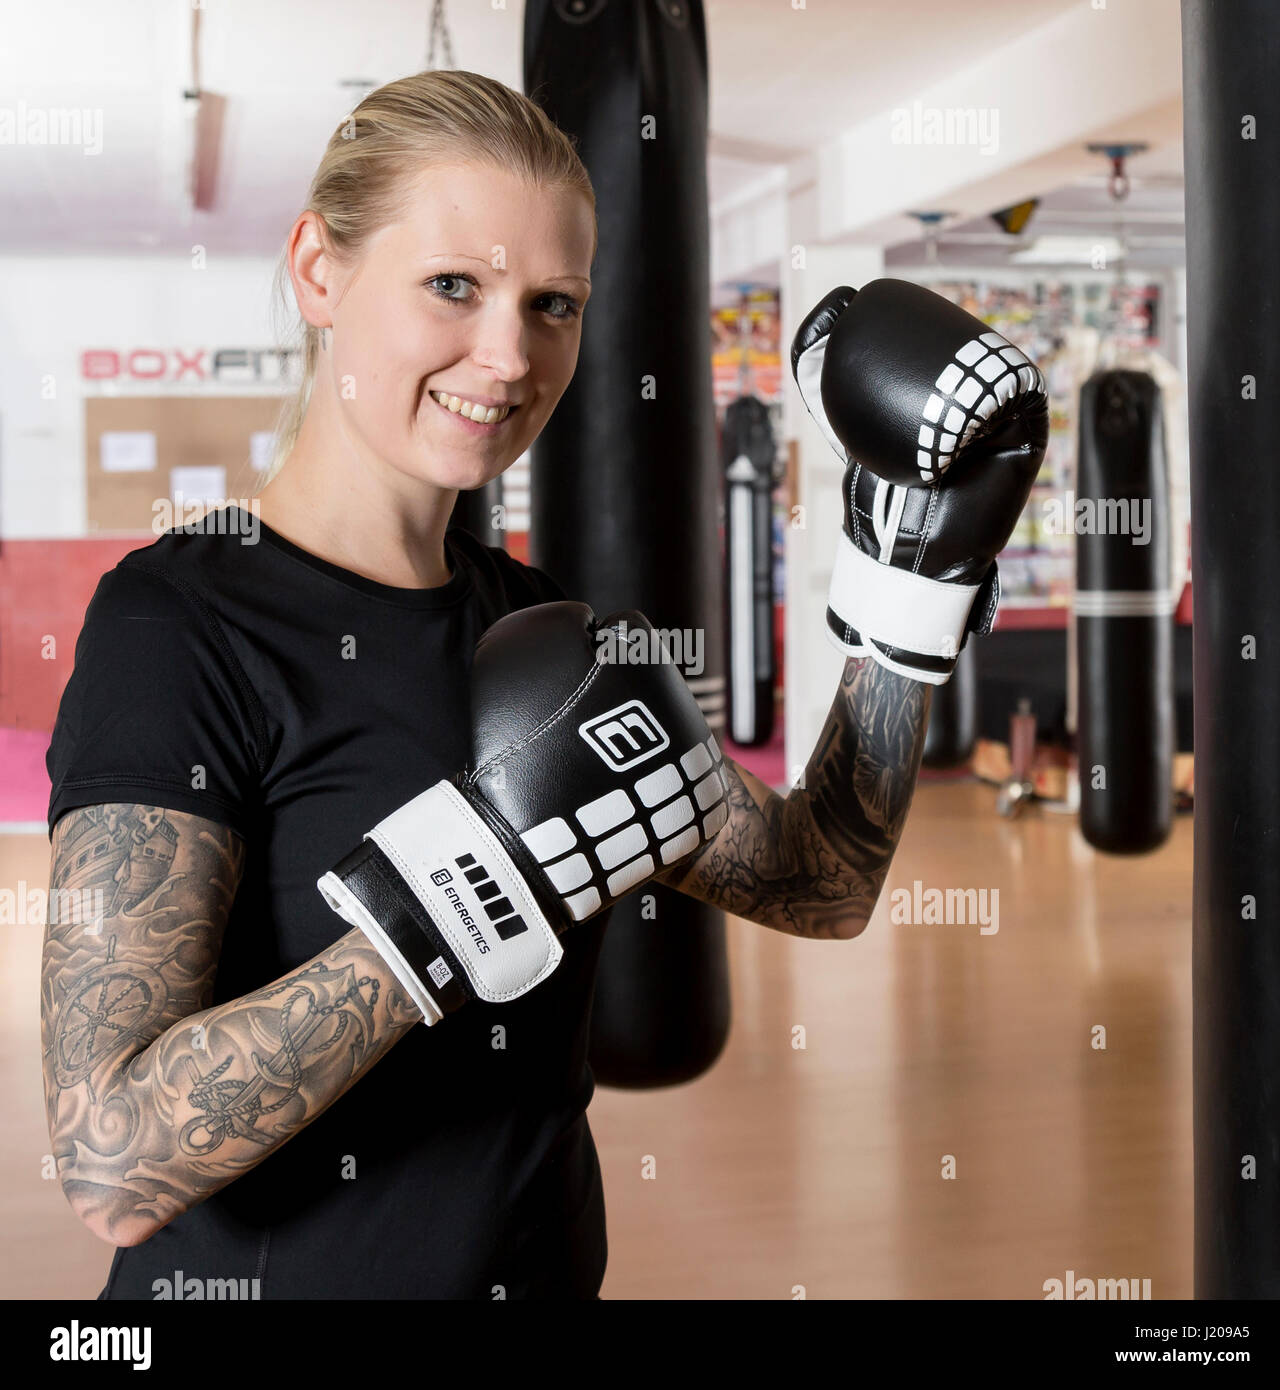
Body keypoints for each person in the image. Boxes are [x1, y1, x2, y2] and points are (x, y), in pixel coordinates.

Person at [40, 70, 1046, 1300]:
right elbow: (111, 1161)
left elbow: (815, 882)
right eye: (453, 286)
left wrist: (905, 602)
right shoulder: (181, 621)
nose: (510, 355)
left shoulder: (544, 638)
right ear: (318, 270)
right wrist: (455, 905)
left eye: (553, 303)